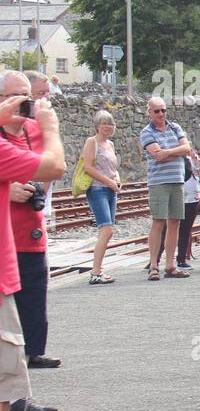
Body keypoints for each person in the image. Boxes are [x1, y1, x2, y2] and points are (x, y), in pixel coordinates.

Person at [0, 70, 66, 411]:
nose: (26, 103)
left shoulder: (17, 138)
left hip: (27, 243)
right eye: (17, 97)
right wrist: (52, 126)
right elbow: (56, 163)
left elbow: (47, 175)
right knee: (5, 373)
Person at [138, 97, 191, 280]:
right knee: (158, 221)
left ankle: (170, 264)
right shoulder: (146, 132)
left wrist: (167, 152)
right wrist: (175, 152)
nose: (161, 114)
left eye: (163, 110)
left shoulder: (175, 127)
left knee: (175, 222)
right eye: (157, 111)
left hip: (177, 180)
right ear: (149, 112)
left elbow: (187, 148)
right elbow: (158, 155)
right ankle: (154, 265)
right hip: (159, 181)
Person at [82, 110, 121, 284]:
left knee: (105, 232)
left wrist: (117, 180)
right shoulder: (92, 142)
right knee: (107, 230)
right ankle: (95, 273)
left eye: (110, 124)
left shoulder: (110, 145)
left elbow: (113, 167)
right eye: (104, 123)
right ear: (97, 126)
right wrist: (108, 181)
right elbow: (88, 167)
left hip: (111, 189)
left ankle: (98, 269)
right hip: (97, 189)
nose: (108, 127)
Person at [177, 148, 200, 269]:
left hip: (193, 199)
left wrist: (194, 157)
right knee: (166, 229)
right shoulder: (175, 158)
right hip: (178, 197)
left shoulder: (190, 158)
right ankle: (155, 259)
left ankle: (181, 259)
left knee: (185, 230)